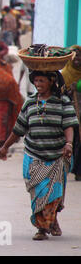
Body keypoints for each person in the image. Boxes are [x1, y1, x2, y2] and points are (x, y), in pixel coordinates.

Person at [0, 70, 78, 240]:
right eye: (36, 81)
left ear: (51, 81)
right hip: (34, 155)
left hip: (57, 156)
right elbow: (19, 129)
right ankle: (45, 225)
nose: (38, 84)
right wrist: (5, 147)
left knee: (53, 194)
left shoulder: (62, 101)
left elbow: (69, 125)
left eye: (41, 80)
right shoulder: (30, 102)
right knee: (39, 194)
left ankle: (44, 226)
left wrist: (69, 143)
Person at [61, 45, 81, 181]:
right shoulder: (64, 75)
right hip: (70, 114)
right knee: (71, 141)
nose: (77, 59)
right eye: (74, 56)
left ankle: (78, 170)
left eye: (79, 56)